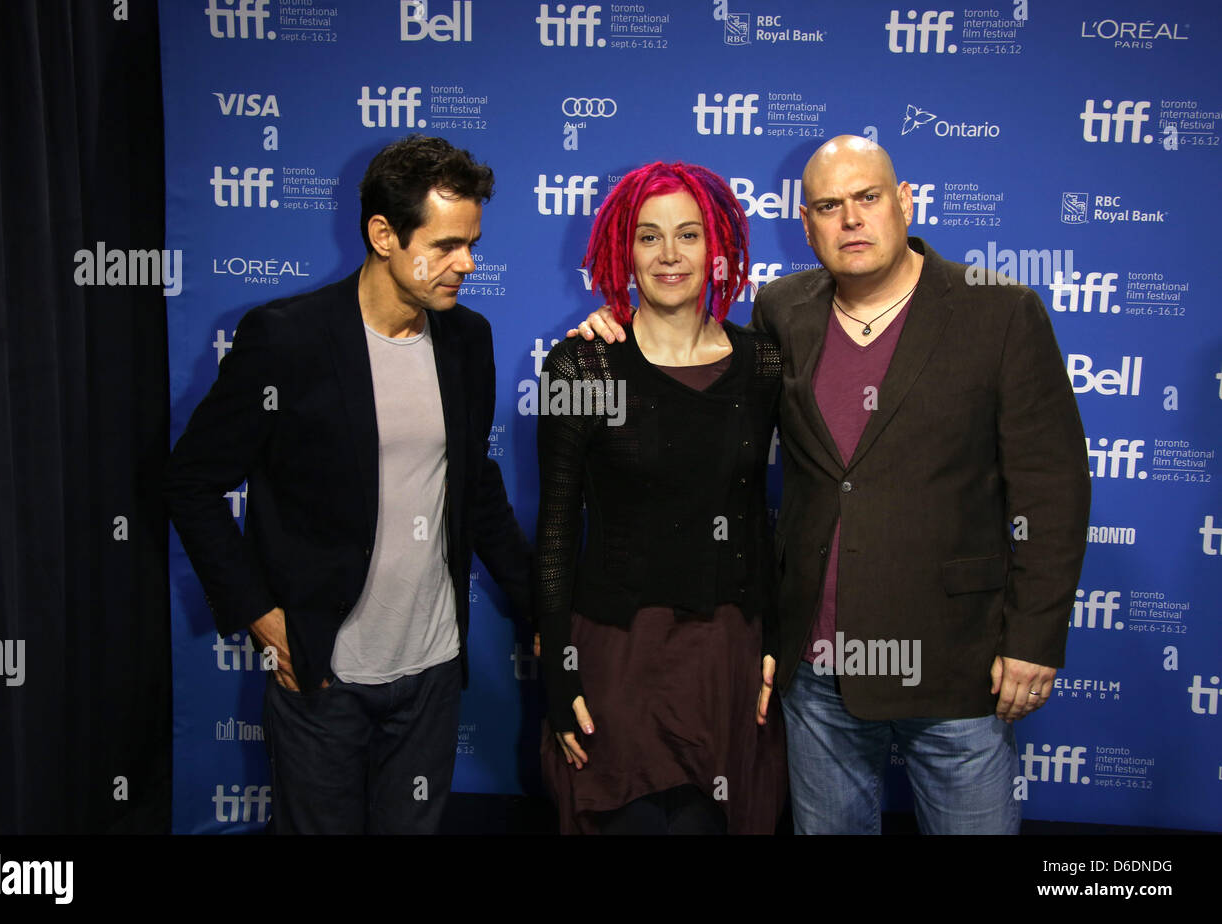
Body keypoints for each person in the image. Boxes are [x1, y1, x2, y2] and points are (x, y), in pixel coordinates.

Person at [576, 136, 1090, 834]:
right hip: (815, 677)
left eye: (866, 198)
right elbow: (697, 391)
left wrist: (1033, 639)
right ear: (806, 220)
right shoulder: (783, 312)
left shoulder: (998, 311)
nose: (850, 219)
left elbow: (1052, 488)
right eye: (828, 206)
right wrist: (615, 329)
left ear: (904, 202)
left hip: (956, 665)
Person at [164, 134, 532, 834]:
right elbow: (191, 482)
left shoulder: (466, 341)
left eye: (472, 242)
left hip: (430, 676)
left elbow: (472, 486)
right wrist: (264, 620)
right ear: (384, 234)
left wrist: (537, 604)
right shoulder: (286, 338)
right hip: (321, 672)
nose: (468, 263)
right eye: (448, 245)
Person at [539, 162, 787, 834]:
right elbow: (556, 533)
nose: (670, 255)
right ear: (625, 252)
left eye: (688, 235)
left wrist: (776, 639)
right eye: (649, 238)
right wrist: (558, 680)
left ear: (718, 249)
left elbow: (761, 519)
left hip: (726, 656)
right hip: (618, 658)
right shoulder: (580, 365)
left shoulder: (763, 364)